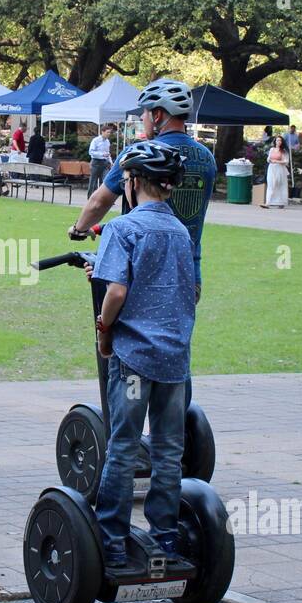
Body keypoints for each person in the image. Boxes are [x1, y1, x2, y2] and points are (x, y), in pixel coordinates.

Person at [71, 78, 216, 417]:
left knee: (128, 348)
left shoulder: (137, 154)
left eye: (147, 114)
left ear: (159, 114)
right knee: (175, 347)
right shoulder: (206, 159)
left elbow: (99, 200)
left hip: (138, 271)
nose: (144, 120)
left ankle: (125, 436)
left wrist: (78, 229)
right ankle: (173, 432)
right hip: (186, 271)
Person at [90, 140, 195, 571]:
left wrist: (104, 327)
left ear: (132, 183)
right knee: (169, 451)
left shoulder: (124, 228)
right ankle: (166, 538)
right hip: (175, 357)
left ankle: (111, 540)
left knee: (124, 446)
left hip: (133, 356)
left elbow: (116, 290)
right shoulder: (181, 231)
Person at [87, 124, 113, 197]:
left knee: (105, 181)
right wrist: (101, 154)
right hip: (96, 162)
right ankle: (90, 198)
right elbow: (91, 152)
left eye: (110, 132)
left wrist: (111, 162)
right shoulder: (95, 140)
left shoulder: (107, 141)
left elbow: (108, 153)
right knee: (93, 181)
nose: (109, 134)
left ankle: (103, 197)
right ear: (102, 132)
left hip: (105, 163)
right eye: (107, 132)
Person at [263, 139, 289, 209]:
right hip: (271, 168)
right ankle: (268, 203)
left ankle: (281, 202)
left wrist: (277, 161)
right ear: (275, 142)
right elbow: (268, 159)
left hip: (280, 169)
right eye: (277, 140)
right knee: (271, 184)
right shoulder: (272, 149)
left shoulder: (283, 151)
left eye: (280, 141)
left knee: (279, 184)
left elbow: (286, 161)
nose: (279, 142)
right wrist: (270, 160)